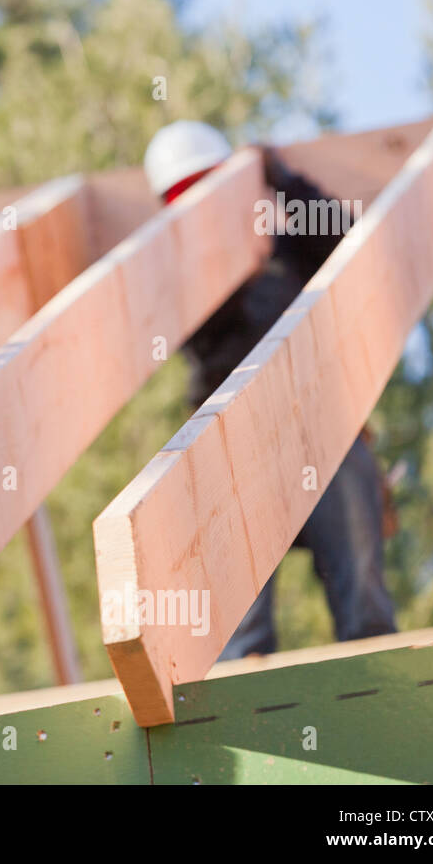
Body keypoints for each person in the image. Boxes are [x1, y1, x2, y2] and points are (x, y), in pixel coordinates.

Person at [143, 120, 397, 661]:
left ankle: (378, 674)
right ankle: (248, 703)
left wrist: (282, 179)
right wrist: (230, 279)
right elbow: (206, 345)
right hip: (236, 447)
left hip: (321, 430)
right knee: (243, 632)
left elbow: (349, 242)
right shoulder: (186, 283)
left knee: (363, 599)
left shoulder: (291, 251)